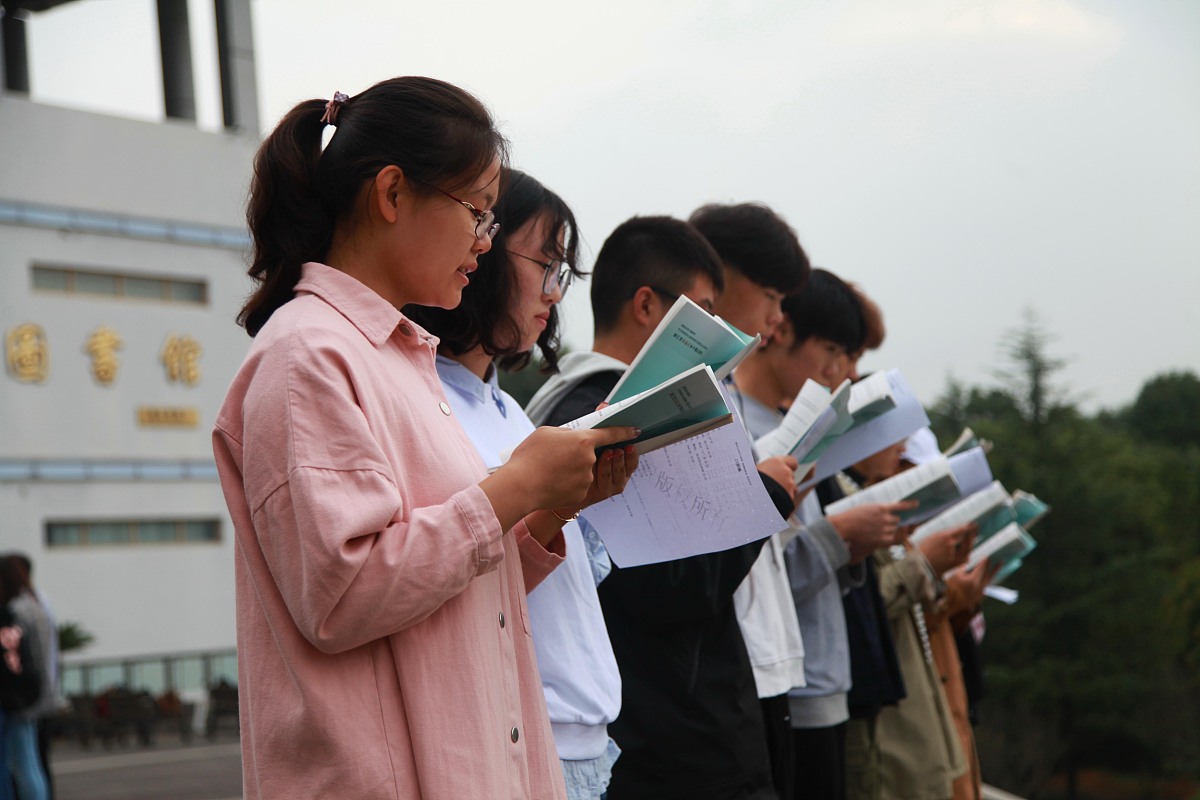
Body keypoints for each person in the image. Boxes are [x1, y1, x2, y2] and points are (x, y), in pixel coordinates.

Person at [212, 77, 638, 800]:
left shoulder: (395, 356)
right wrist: (516, 488)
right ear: (391, 194)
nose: (484, 241)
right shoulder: (308, 354)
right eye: (477, 211)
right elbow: (343, 594)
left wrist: (550, 507)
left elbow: (450, 587)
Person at [527, 213, 801, 800]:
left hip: (684, 731)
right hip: (671, 744)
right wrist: (769, 495)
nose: (718, 332)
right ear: (647, 305)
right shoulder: (604, 420)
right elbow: (669, 586)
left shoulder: (589, 411)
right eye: (703, 312)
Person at [406, 169, 632, 800]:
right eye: (544, 264)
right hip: (523, 744)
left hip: (588, 741)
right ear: (477, 247)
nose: (554, 292)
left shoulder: (510, 410)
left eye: (562, 274)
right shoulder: (424, 400)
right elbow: (450, 583)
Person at [730, 269, 910, 800]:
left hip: (825, 682)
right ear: (782, 331)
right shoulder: (745, 431)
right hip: (787, 685)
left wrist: (852, 542)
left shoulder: (796, 425)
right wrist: (838, 536)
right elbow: (753, 571)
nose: (839, 372)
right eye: (831, 351)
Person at [1, 556, 50, 800]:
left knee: (21, 763)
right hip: (31, 693)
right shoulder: (38, 604)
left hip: (16, 695)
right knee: (29, 761)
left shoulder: (15, 611)